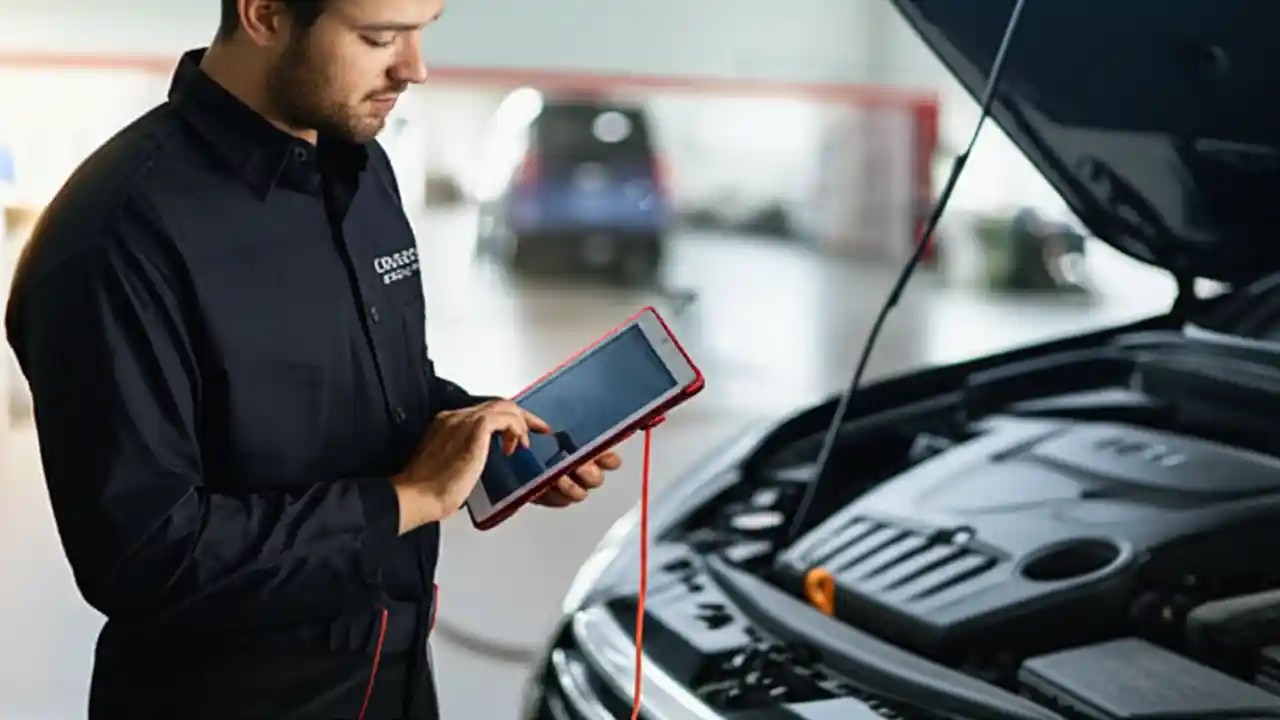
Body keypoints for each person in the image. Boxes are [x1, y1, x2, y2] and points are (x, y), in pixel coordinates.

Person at [2, 0, 623, 717]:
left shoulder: (359, 169)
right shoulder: (118, 238)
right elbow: (146, 558)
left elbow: (378, 386)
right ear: (265, 14)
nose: (415, 68)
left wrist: (485, 431)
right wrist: (408, 500)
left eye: (423, 31)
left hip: (393, 683)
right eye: (379, 37)